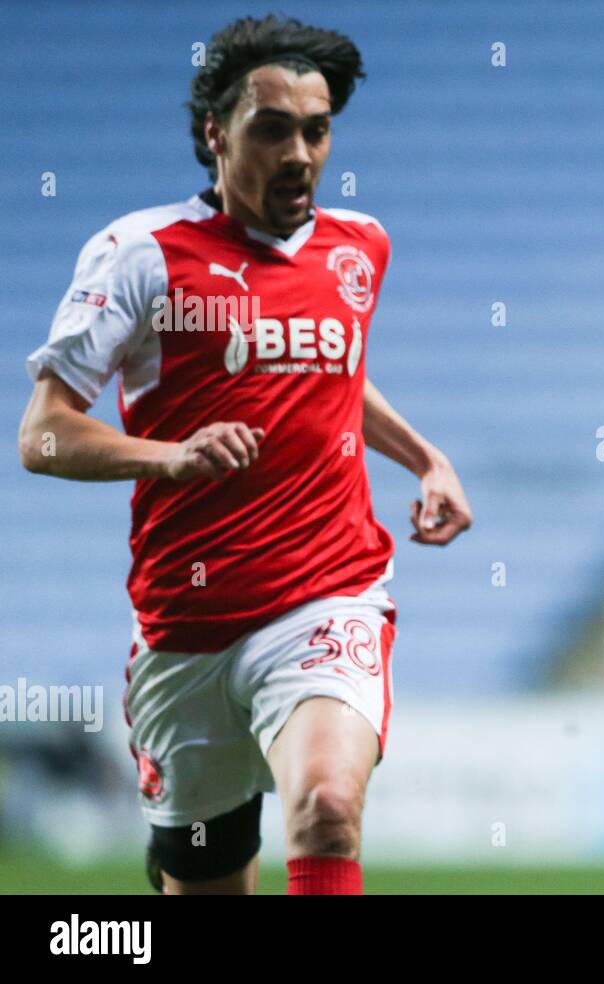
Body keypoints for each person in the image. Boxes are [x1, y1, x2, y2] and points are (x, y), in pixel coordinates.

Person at [18, 14, 472, 895]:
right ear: (213, 134)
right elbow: (41, 433)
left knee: (329, 809)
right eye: (272, 128)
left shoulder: (359, 248)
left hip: (325, 598)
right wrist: (168, 456)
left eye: (317, 129)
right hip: (185, 633)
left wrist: (426, 458)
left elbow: (330, 373)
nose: (300, 151)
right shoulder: (139, 256)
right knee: (207, 881)